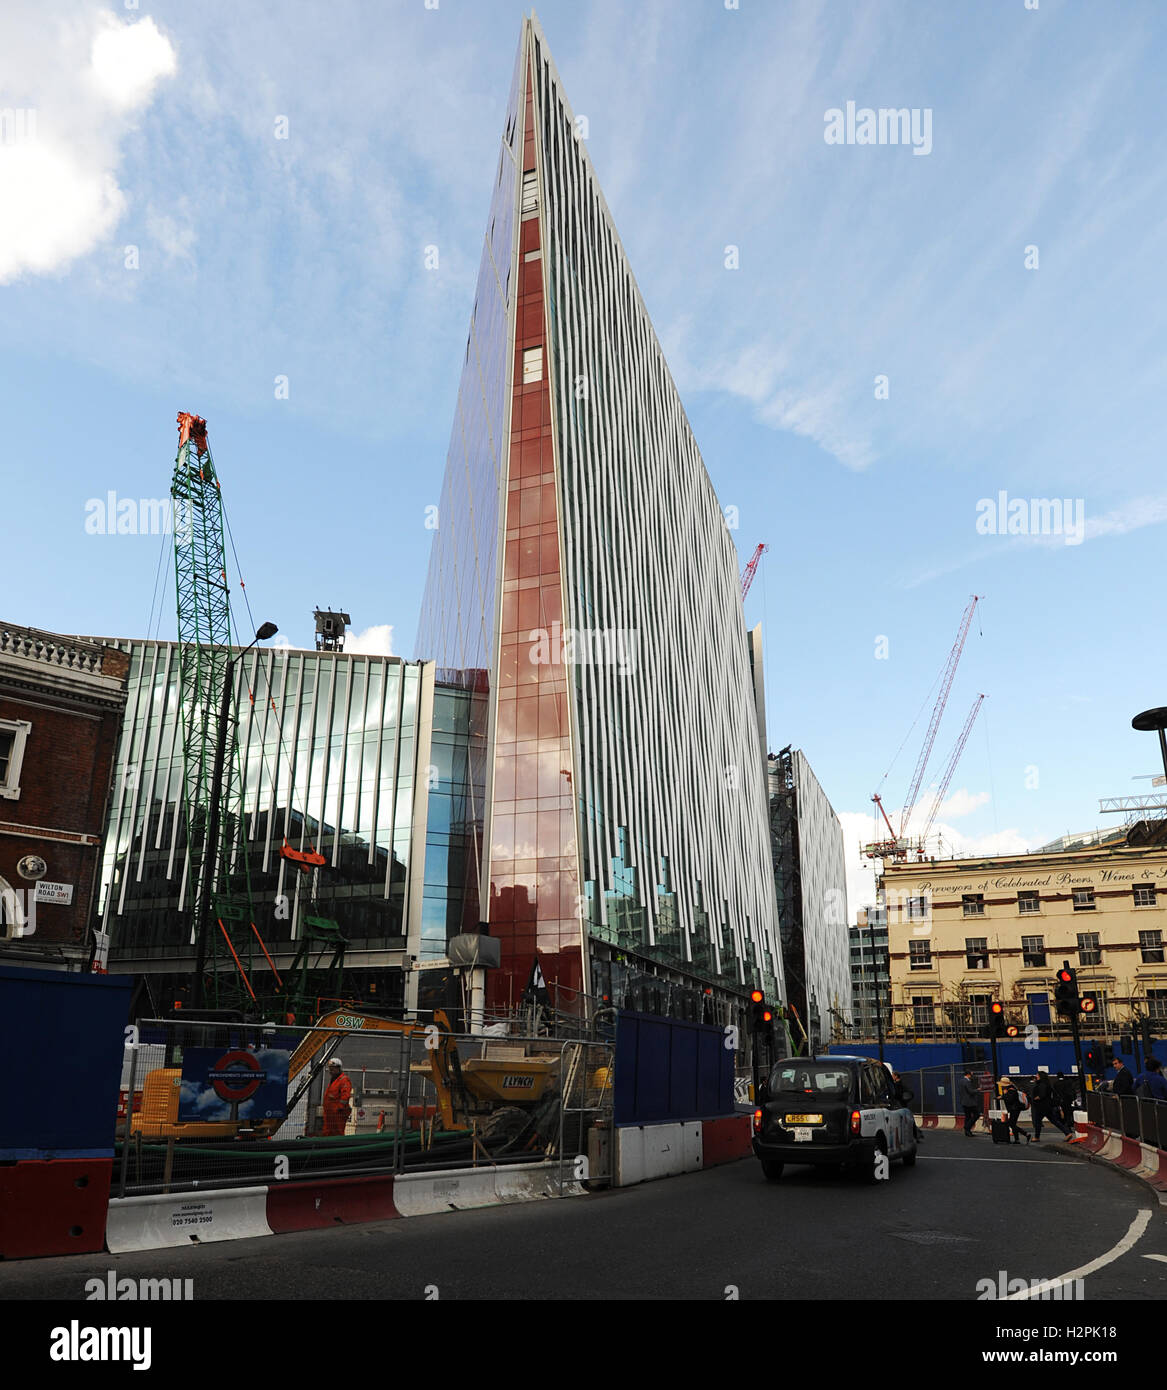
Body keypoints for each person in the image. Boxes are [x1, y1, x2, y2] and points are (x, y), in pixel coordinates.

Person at [1031, 1069, 1073, 1140]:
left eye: (1037, 1075)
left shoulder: (1041, 1084)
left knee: (1037, 1121)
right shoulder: (1047, 1084)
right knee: (1054, 1121)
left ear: (1041, 1076)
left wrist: (1035, 1098)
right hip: (1047, 1106)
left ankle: (1036, 1137)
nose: (1036, 1076)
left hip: (1041, 1106)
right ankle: (1067, 1133)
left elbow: (1042, 1094)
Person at [322, 1057, 353, 1136]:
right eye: (330, 1069)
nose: (330, 1071)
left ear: (338, 1068)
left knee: (337, 1133)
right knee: (328, 1133)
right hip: (330, 1113)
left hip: (338, 1114)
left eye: (332, 1069)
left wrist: (338, 1108)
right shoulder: (334, 1079)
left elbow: (345, 1096)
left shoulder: (343, 1080)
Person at [1000, 1078, 1031, 1144]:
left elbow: (1010, 1100)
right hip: (1014, 1109)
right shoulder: (1010, 1090)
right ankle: (1017, 1139)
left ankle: (1026, 1134)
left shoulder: (1011, 1090)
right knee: (1013, 1124)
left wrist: (1004, 1096)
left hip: (1015, 1109)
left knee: (1011, 1124)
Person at [959, 1069, 981, 1136]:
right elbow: (970, 1091)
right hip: (970, 1102)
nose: (972, 1076)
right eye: (971, 1074)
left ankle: (967, 1131)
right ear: (968, 1074)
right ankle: (967, 1127)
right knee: (976, 1114)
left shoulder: (961, 1081)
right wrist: (977, 1090)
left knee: (967, 1116)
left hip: (964, 1101)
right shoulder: (967, 1082)